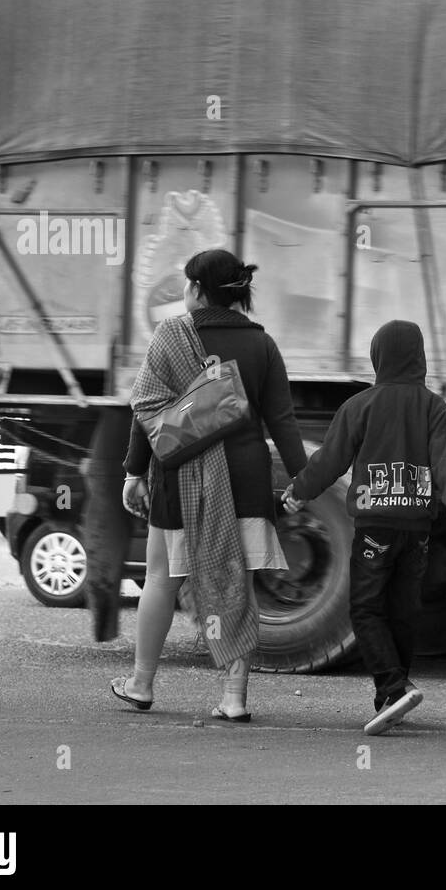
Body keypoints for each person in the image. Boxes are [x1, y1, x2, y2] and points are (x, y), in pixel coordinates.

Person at [111, 248, 308, 722]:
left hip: (180, 476)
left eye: (187, 283)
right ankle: (234, 697)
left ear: (198, 289)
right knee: (238, 584)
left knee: (161, 579)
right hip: (246, 479)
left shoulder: (170, 334)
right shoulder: (263, 345)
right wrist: (303, 481)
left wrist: (134, 473)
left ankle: (141, 683)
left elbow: (147, 411)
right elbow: (282, 421)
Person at [282, 320, 446, 735]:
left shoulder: (360, 406)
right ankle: (392, 696)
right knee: (403, 610)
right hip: (418, 530)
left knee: (367, 607)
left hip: (375, 527)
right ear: (419, 357)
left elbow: (330, 460)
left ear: (378, 357)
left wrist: (299, 491)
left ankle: (393, 687)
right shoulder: (434, 407)